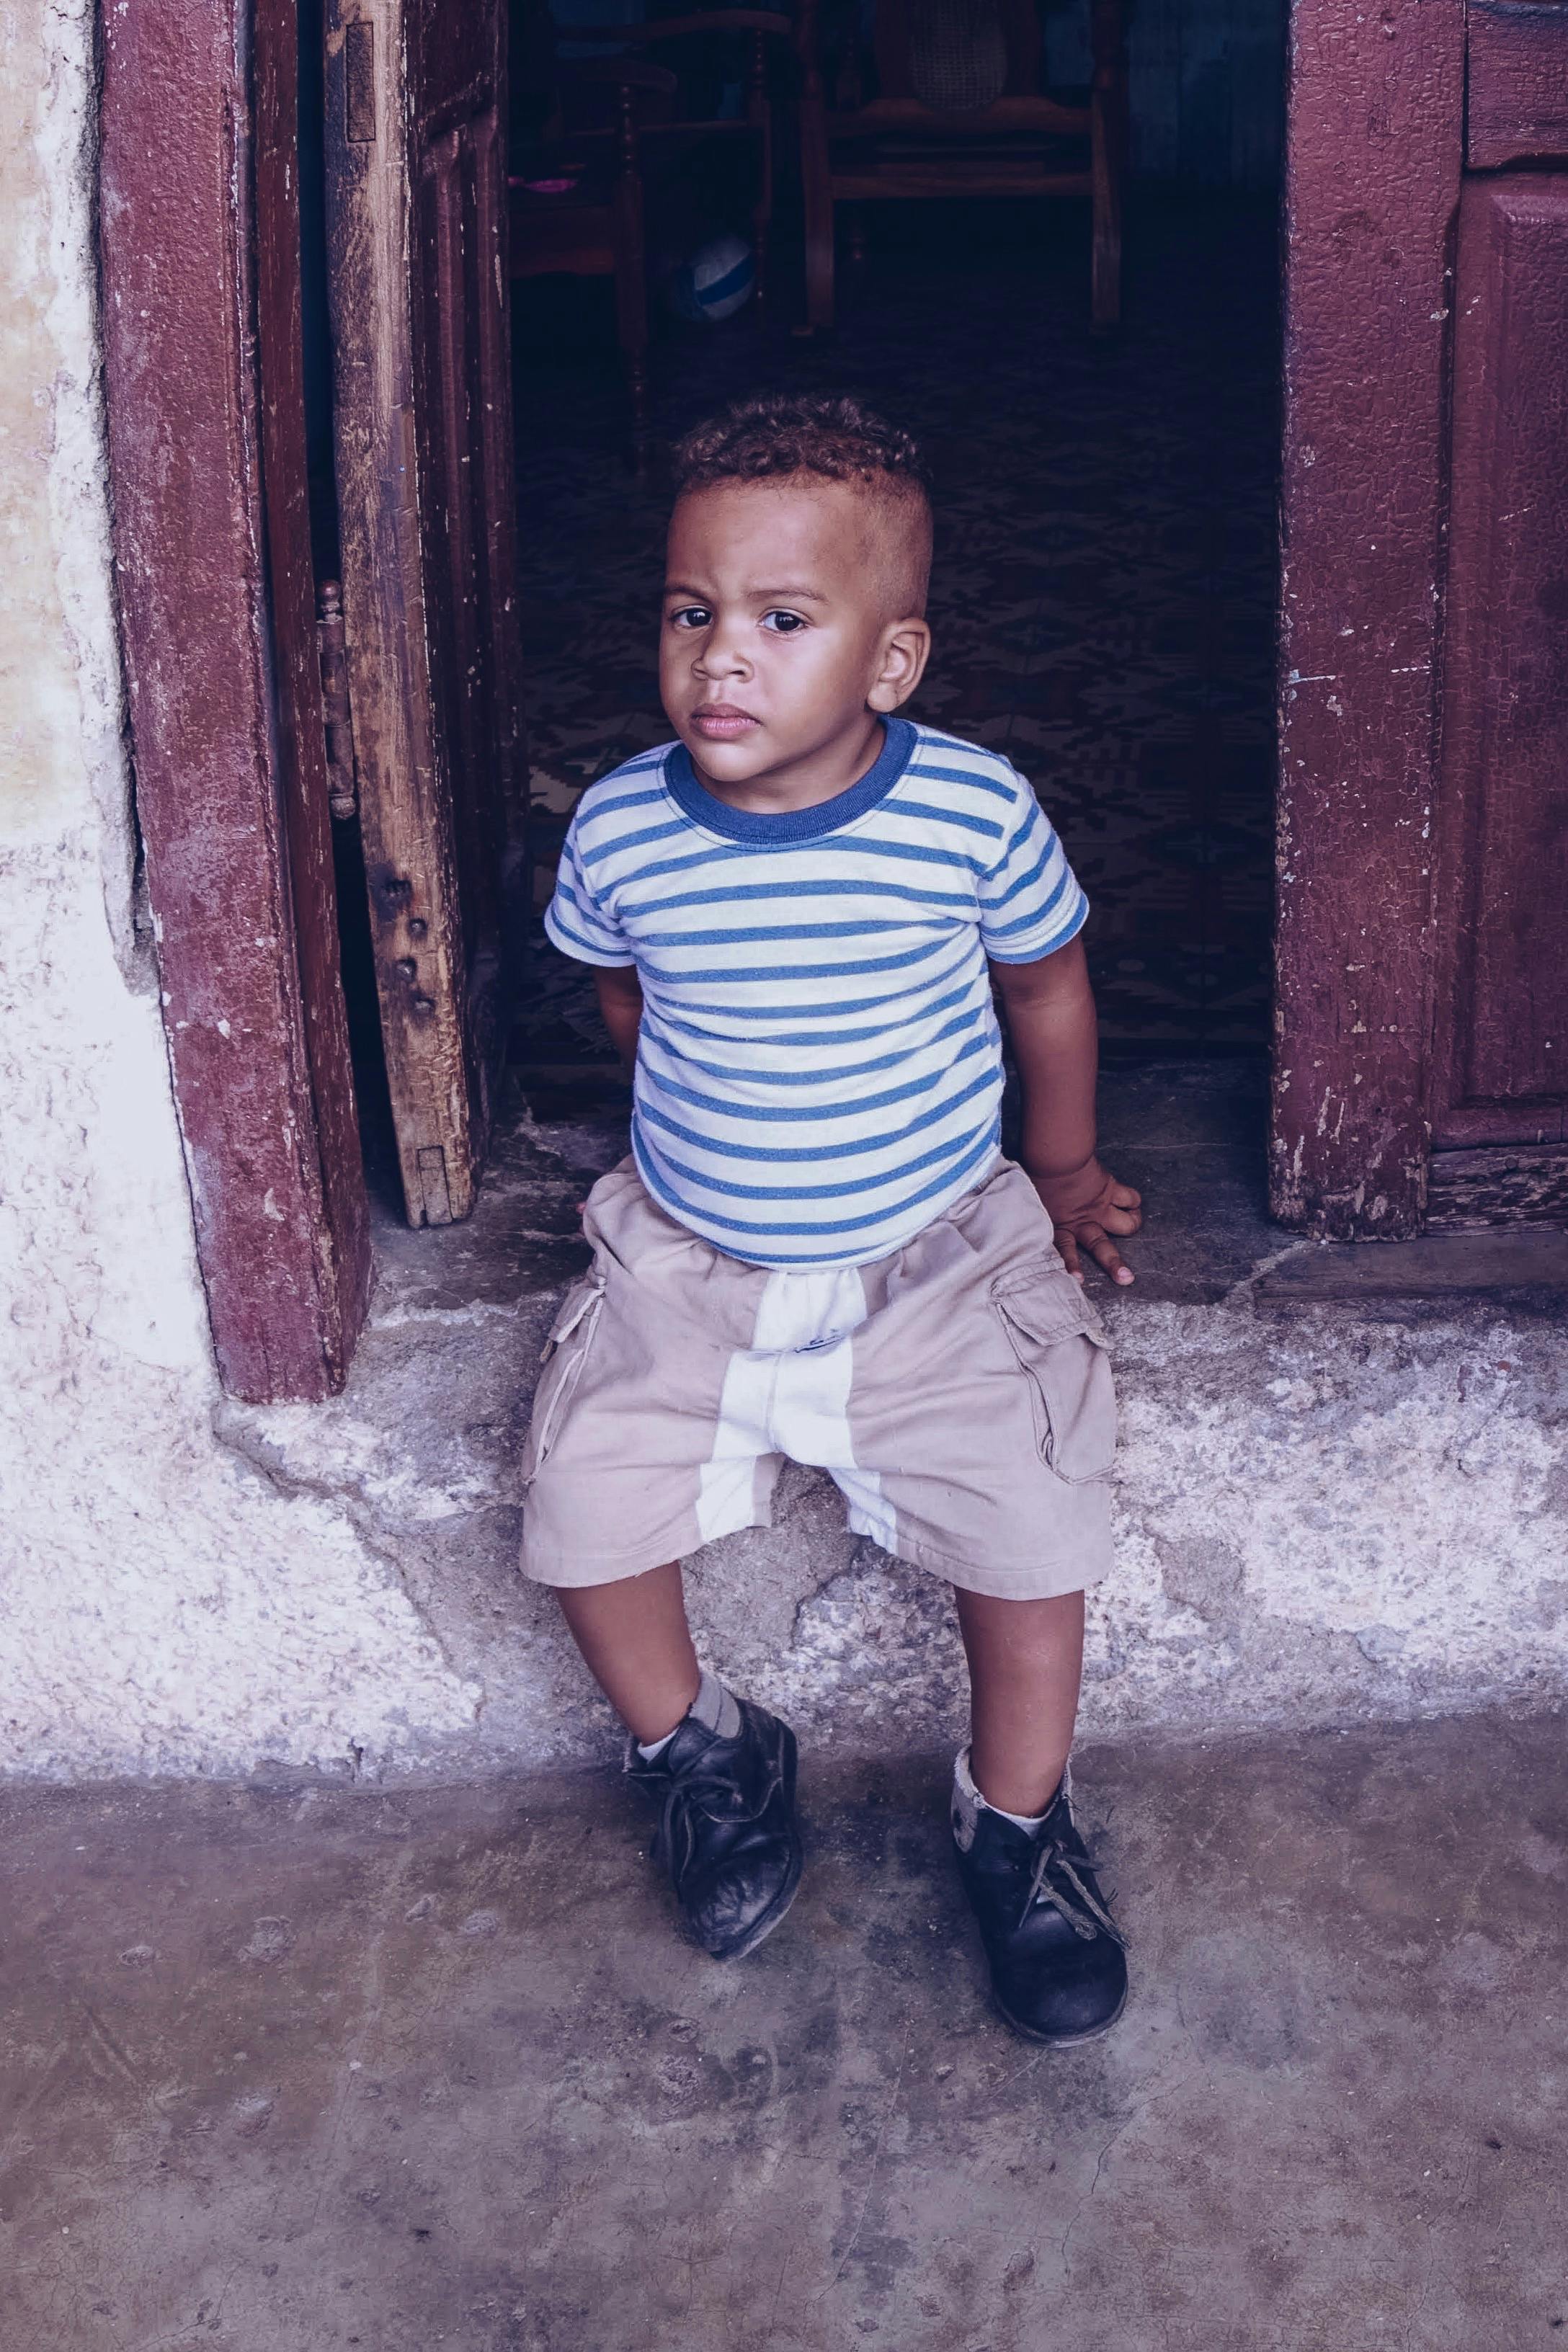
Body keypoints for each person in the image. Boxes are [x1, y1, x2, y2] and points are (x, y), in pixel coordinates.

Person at [522, 393, 1143, 2044]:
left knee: (1033, 1531)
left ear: (889, 662)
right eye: (690, 611)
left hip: (930, 1251)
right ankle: (702, 1750)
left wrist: (1065, 1171)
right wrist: (690, 1117)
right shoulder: (622, 825)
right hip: (689, 1258)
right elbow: (618, 980)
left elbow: (1048, 987)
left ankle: (1013, 1824)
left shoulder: (970, 815)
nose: (721, 656)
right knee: (578, 1510)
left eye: (781, 622)